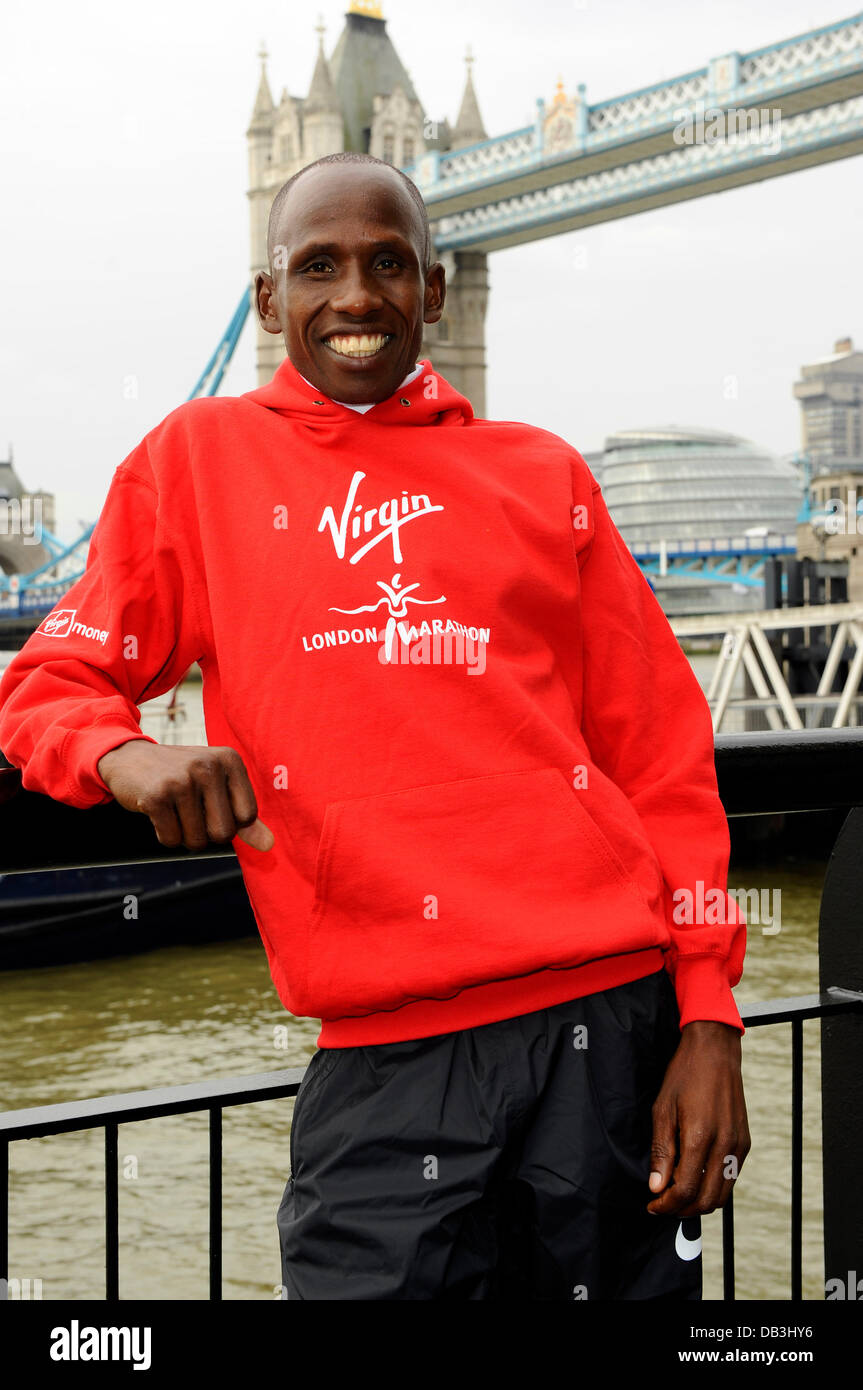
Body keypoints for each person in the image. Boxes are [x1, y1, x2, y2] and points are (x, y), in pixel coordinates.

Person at [0, 152, 749, 1301]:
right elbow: (50, 681)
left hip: (610, 1030)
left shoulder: (539, 472)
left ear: (434, 293)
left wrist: (707, 1023)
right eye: (318, 266)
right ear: (267, 301)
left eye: (387, 264)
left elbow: (660, 757)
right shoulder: (194, 464)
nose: (355, 296)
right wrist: (126, 753)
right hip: (382, 1057)